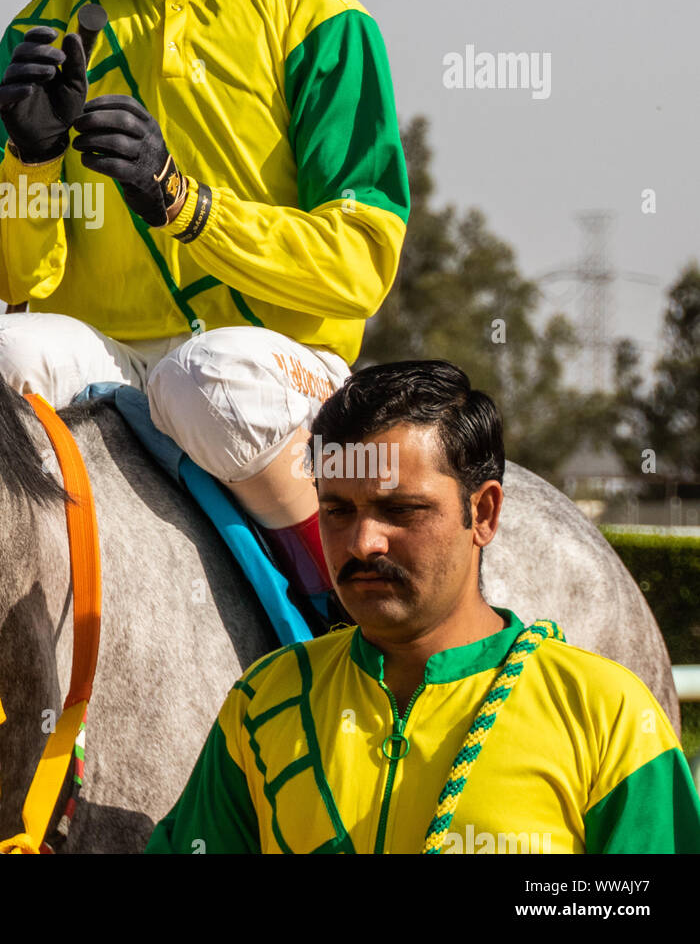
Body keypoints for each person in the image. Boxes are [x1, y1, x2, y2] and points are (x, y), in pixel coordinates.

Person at [0, 0, 410, 604]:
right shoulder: (46, 24)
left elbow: (361, 264)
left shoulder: (323, 23)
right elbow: (1, 270)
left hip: (273, 373)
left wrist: (186, 204)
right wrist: (31, 162)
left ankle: (345, 635)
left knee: (207, 379)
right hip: (105, 360)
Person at [146, 361, 700, 854]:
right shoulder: (262, 702)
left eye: (401, 509)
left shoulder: (608, 715)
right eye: (337, 511)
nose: (363, 542)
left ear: (482, 513)